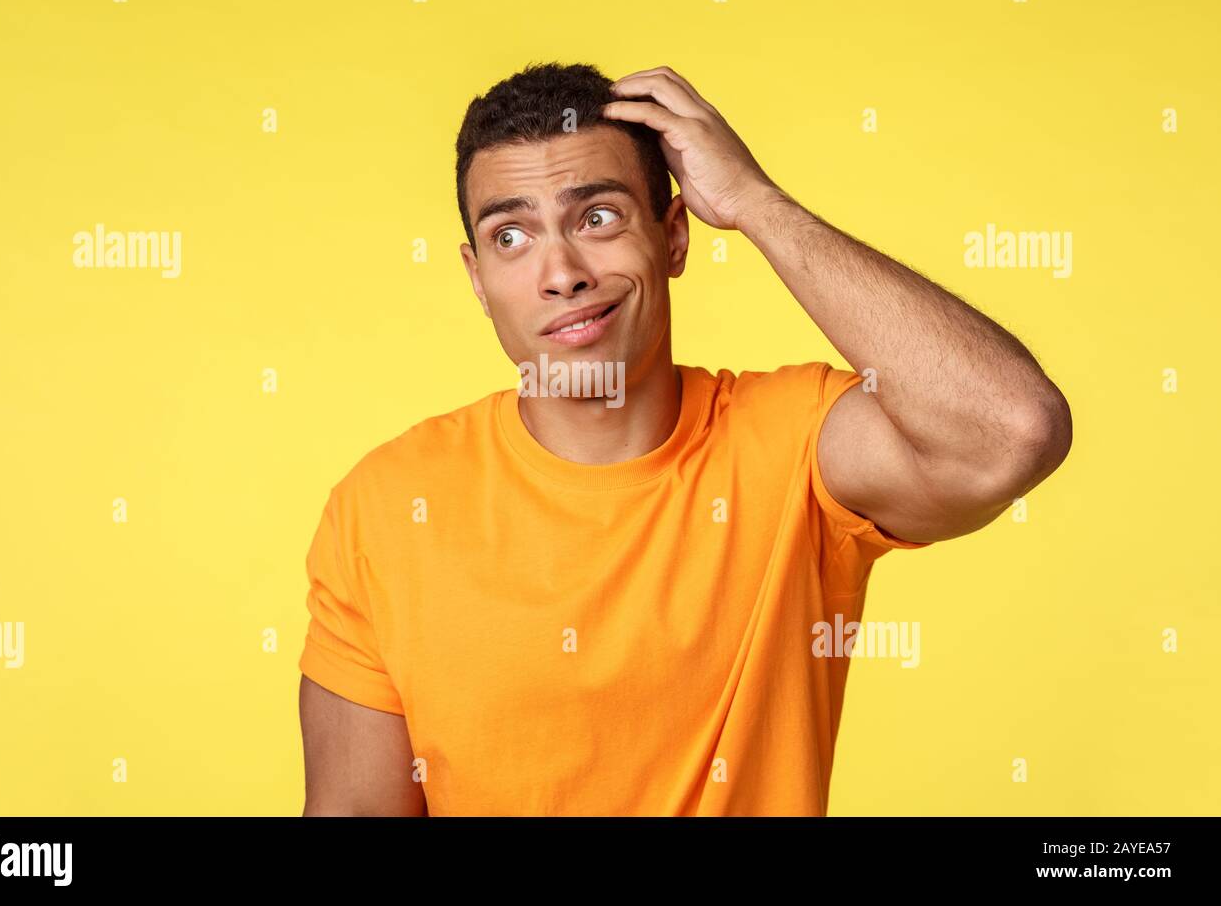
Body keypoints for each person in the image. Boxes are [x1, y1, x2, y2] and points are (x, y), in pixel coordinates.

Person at [297, 62, 1072, 816]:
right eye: (511, 237)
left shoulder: (793, 447)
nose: (561, 272)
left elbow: (1012, 428)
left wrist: (755, 202)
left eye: (596, 218)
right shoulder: (387, 503)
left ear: (673, 236)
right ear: (475, 278)